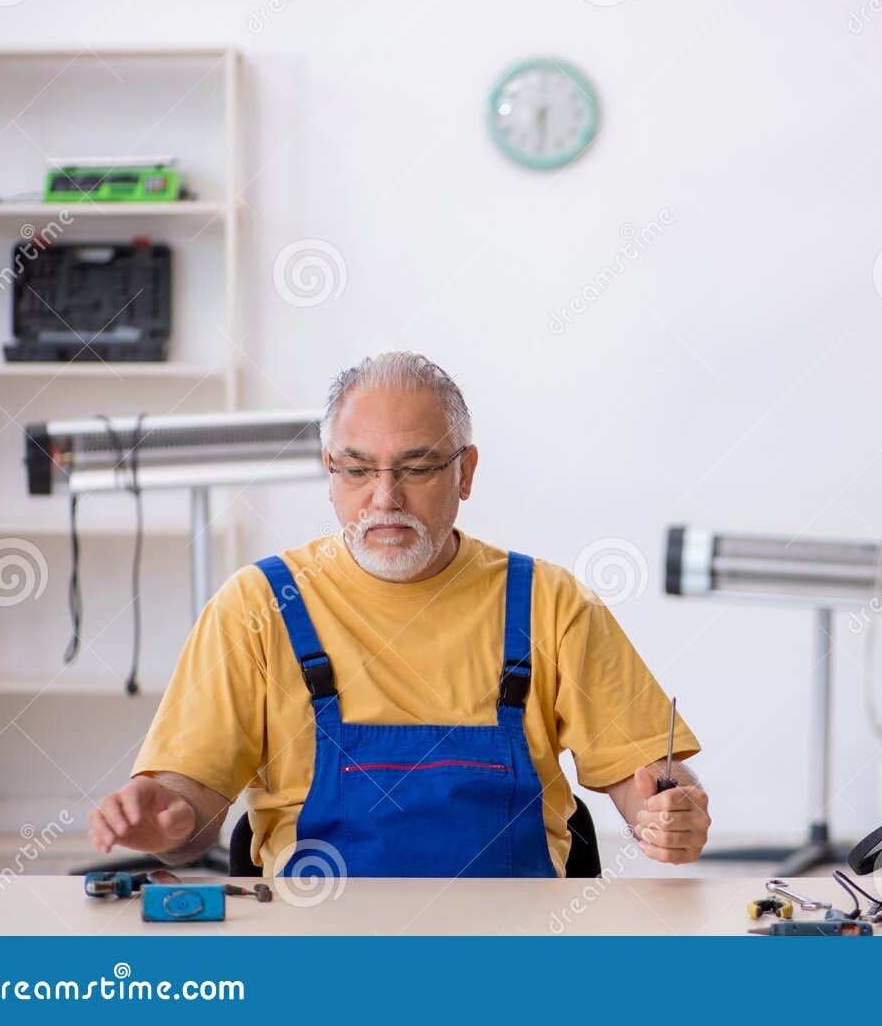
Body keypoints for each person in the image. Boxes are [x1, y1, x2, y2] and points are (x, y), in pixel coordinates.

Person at [88, 351, 709, 877]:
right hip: (318, 944)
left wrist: (669, 810)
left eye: (416, 468)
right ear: (328, 471)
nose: (384, 498)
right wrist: (167, 818)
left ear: (464, 472)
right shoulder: (258, 607)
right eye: (357, 470)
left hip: (515, 945)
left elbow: (645, 780)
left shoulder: (550, 603)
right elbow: (191, 810)